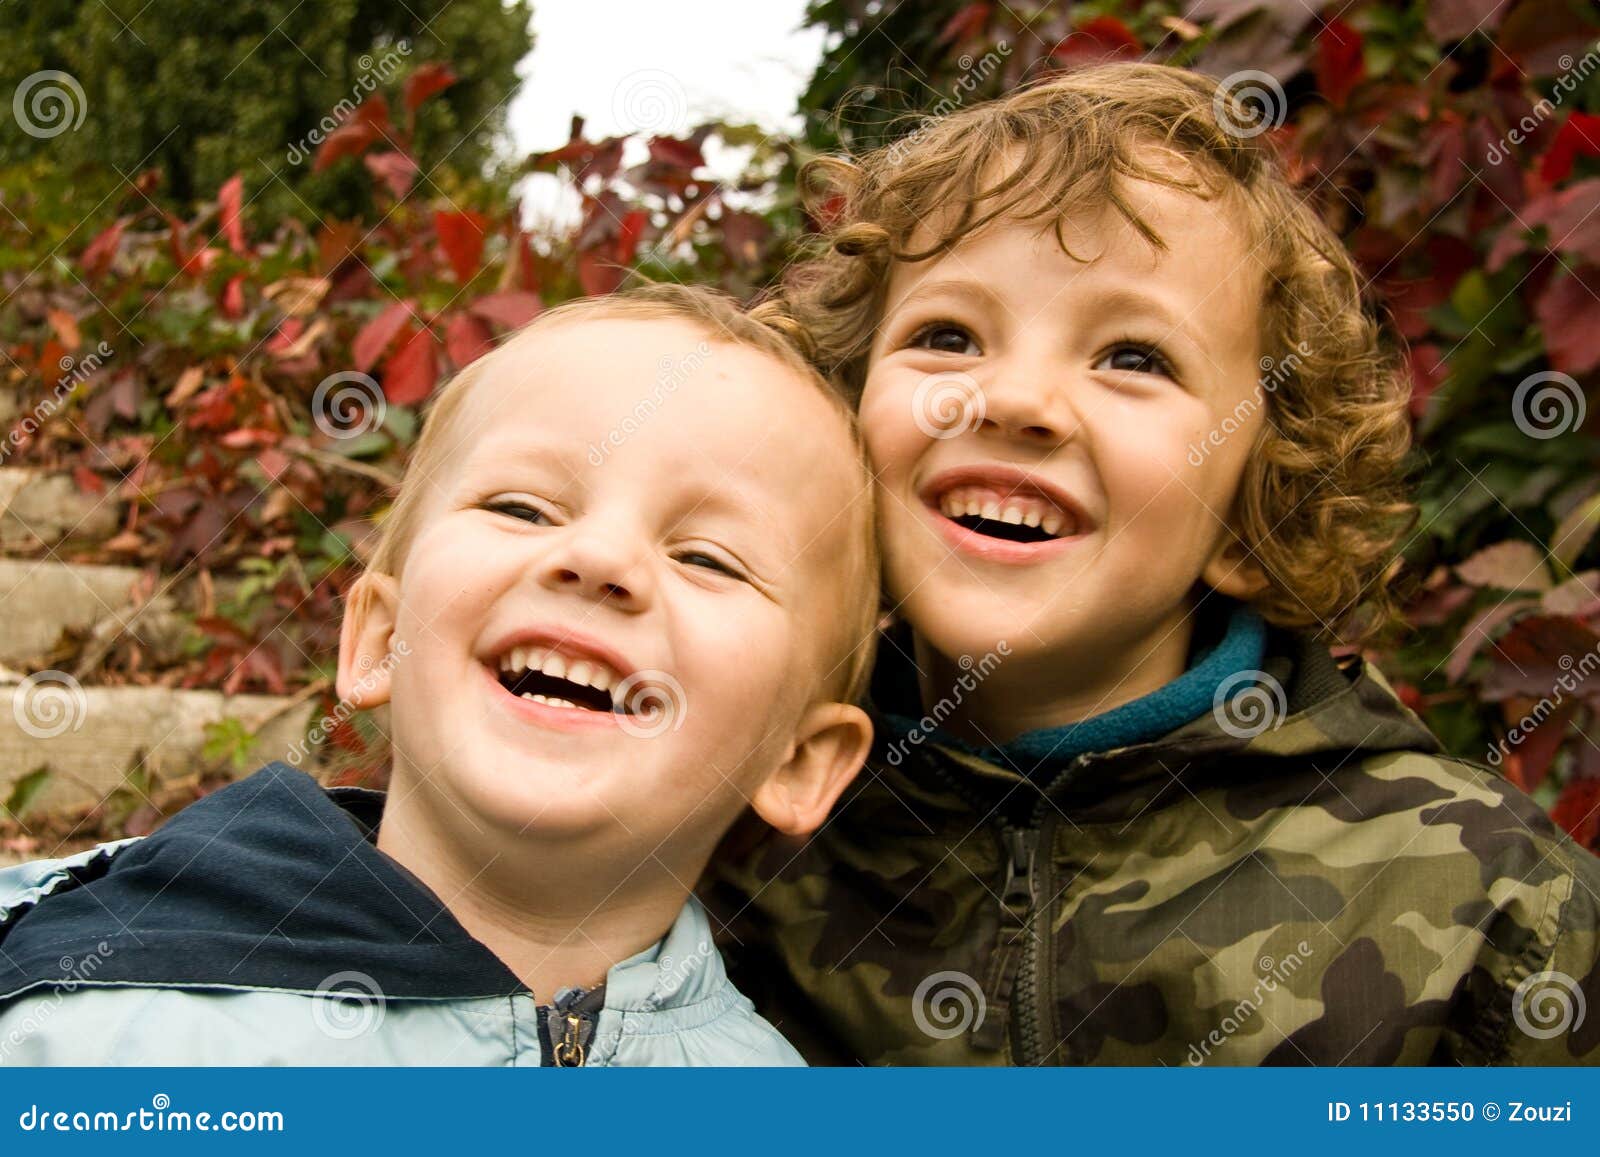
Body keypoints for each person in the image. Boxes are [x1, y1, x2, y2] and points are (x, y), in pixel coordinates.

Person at [705, 63, 1600, 1065]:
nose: (1012, 399)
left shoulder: (1487, 903)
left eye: (1133, 357)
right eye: (947, 334)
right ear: (843, 427)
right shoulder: (713, 830)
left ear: (1252, 515)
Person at [0, 284, 879, 1066]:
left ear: (799, 760)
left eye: (710, 558)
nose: (600, 555)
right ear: (381, 636)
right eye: (521, 506)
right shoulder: (81, 1023)